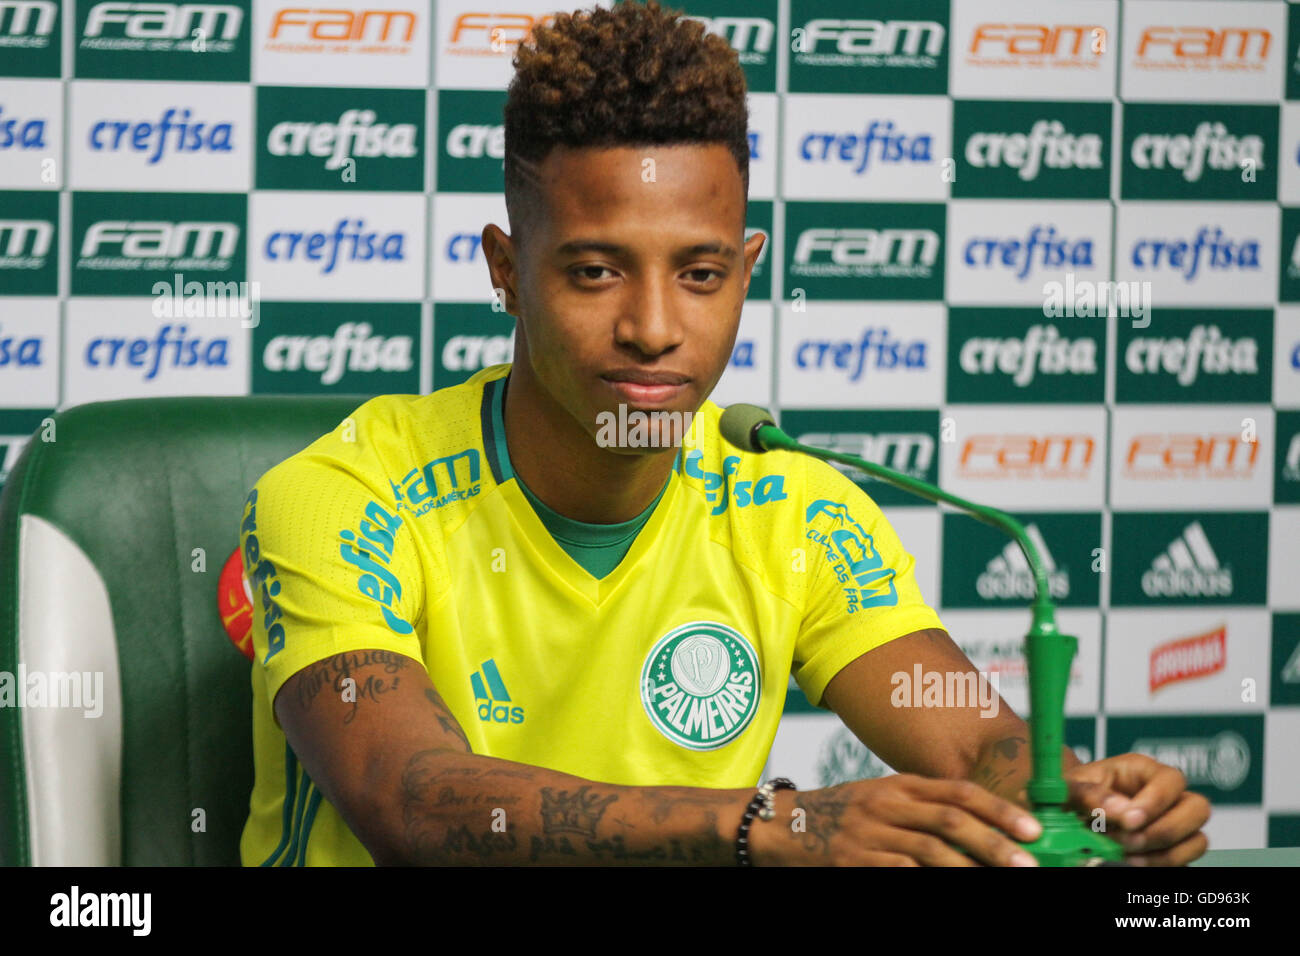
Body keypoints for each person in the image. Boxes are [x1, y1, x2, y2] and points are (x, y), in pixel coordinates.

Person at [238, 0, 1210, 867]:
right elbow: (408, 798)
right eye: (595, 271)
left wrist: (1071, 795)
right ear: (505, 266)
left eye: (699, 274)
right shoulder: (344, 490)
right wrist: (767, 824)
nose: (655, 327)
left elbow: (971, 746)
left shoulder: (794, 501)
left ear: (745, 269)